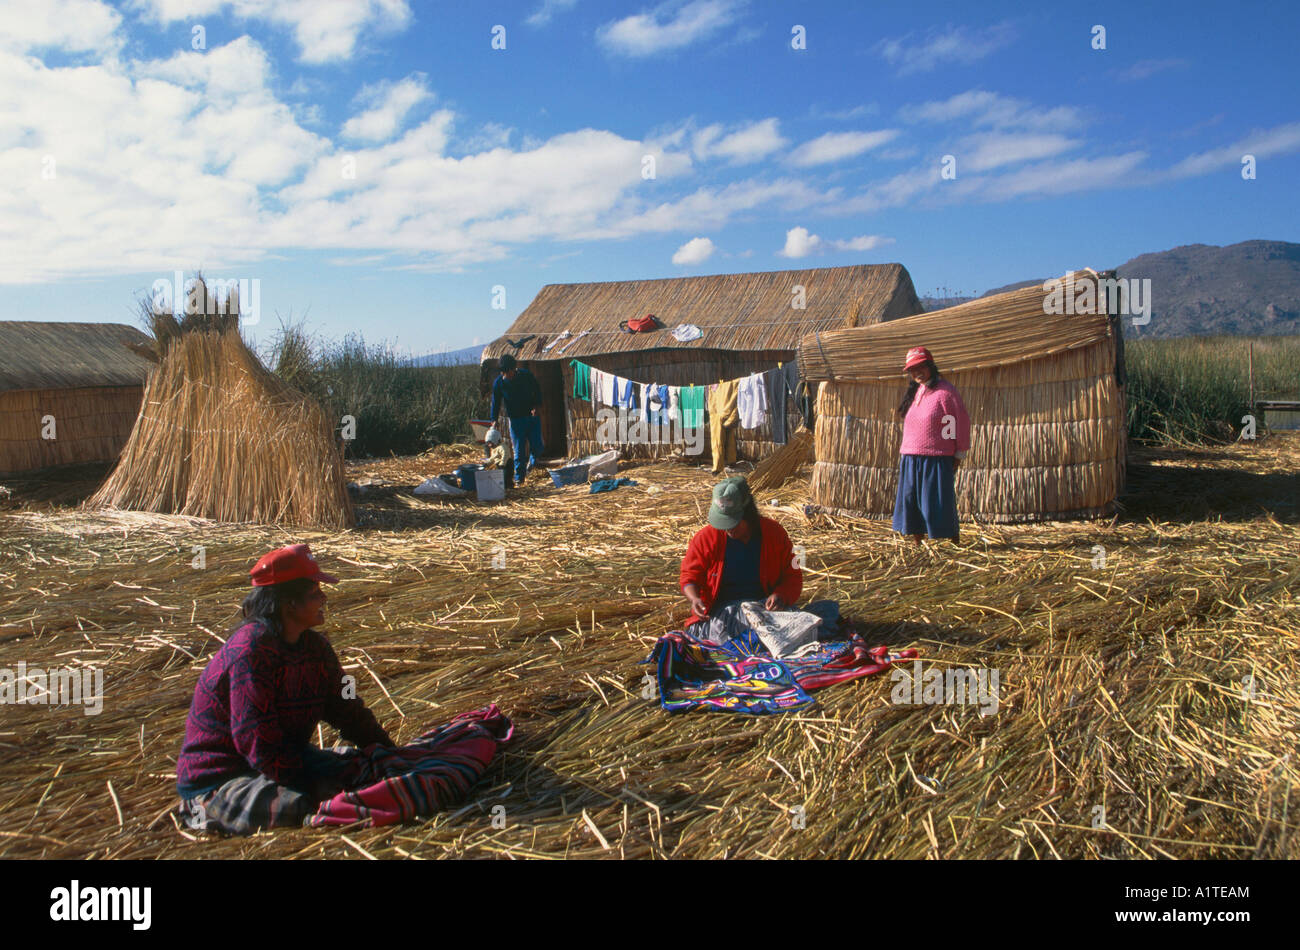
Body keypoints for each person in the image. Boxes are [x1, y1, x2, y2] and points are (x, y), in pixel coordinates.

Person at [175, 544, 394, 835]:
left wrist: (386, 751)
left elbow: (347, 708)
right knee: (307, 804)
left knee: (366, 770)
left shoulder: (317, 649)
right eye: (315, 593)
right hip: (222, 780)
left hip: (282, 762)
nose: (323, 599)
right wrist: (310, 781)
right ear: (288, 603)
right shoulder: (251, 652)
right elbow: (256, 741)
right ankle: (198, 813)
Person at [679, 476, 802, 633]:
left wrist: (781, 595)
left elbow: (793, 575)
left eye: (733, 522)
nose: (728, 529)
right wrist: (695, 599)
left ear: (748, 514)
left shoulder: (775, 534)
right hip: (722, 613)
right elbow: (689, 577)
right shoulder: (705, 538)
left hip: (764, 609)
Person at [892, 346, 970, 544]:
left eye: (921, 367)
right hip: (911, 457)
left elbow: (954, 422)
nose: (917, 373)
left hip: (936, 457)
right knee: (912, 500)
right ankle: (918, 542)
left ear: (931, 366)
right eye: (912, 369)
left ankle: (953, 541)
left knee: (937, 502)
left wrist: (957, 452)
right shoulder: (918, 391)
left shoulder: (945, 393)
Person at [489, 353, 544, 486]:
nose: (510, 375)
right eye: (507, 373)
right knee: (518, 451)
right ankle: (519, 478)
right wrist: (494, 420)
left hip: (531, 417)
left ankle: (532, 461)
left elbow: (537, 390)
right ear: (503, 372)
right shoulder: (499, 383)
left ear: (515, 368)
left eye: (511, 371)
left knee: (538, 446)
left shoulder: (526, 375)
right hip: (515, 421)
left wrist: (536, 406)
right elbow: (495, 402)